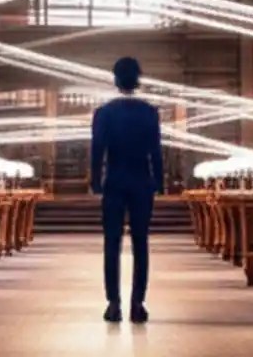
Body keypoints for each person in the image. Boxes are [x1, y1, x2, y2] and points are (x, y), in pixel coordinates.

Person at [90, 56, 163, 324]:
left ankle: (113, 303)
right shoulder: (149, 112)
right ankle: (137, 303)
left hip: (115, 180)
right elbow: (156, 150)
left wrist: (96, 180)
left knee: (112, 243)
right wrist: (160, 181)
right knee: (141, 243)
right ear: (138, 80)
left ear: (116, 80)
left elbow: (97, 149)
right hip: (142, 181)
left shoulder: (105, 113)